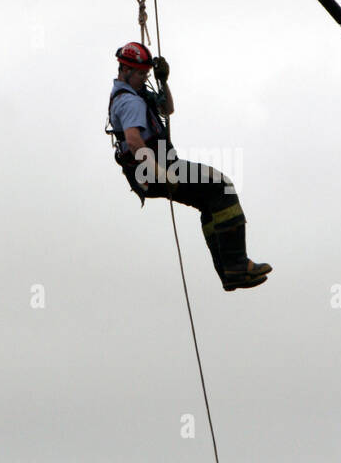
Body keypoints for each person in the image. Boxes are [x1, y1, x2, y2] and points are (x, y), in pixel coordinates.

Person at [108, 41, 272, 290]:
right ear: (126, 71)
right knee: (222, 186)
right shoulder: (129, 102)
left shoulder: (135, 94)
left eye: (146, 74)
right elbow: (133, 141)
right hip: (155, 170)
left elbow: (167, 109)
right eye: (141, 74)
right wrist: (162, 173)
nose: (144, 78)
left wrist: (163, 82)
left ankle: (229, 273)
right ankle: (236, 265)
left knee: (210, 202)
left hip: (154, 170)